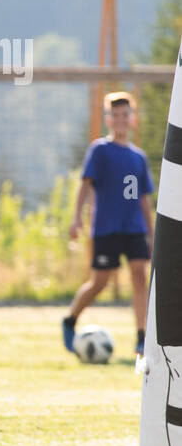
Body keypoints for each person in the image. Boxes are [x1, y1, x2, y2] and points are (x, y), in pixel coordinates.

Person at [64, 91, 155, 357]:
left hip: (135, 228)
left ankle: (141, 338)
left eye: (125, 115)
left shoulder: (138, 157)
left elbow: (143, 199)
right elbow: (85, 185)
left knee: (139, 275)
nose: (120, 120)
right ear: (108, 119)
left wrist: (151, 231)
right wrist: (76, 217)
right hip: (106, 228)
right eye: (114, 115)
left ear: (132, 118)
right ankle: (70, 320)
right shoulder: (100, 150)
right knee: (100, 282)